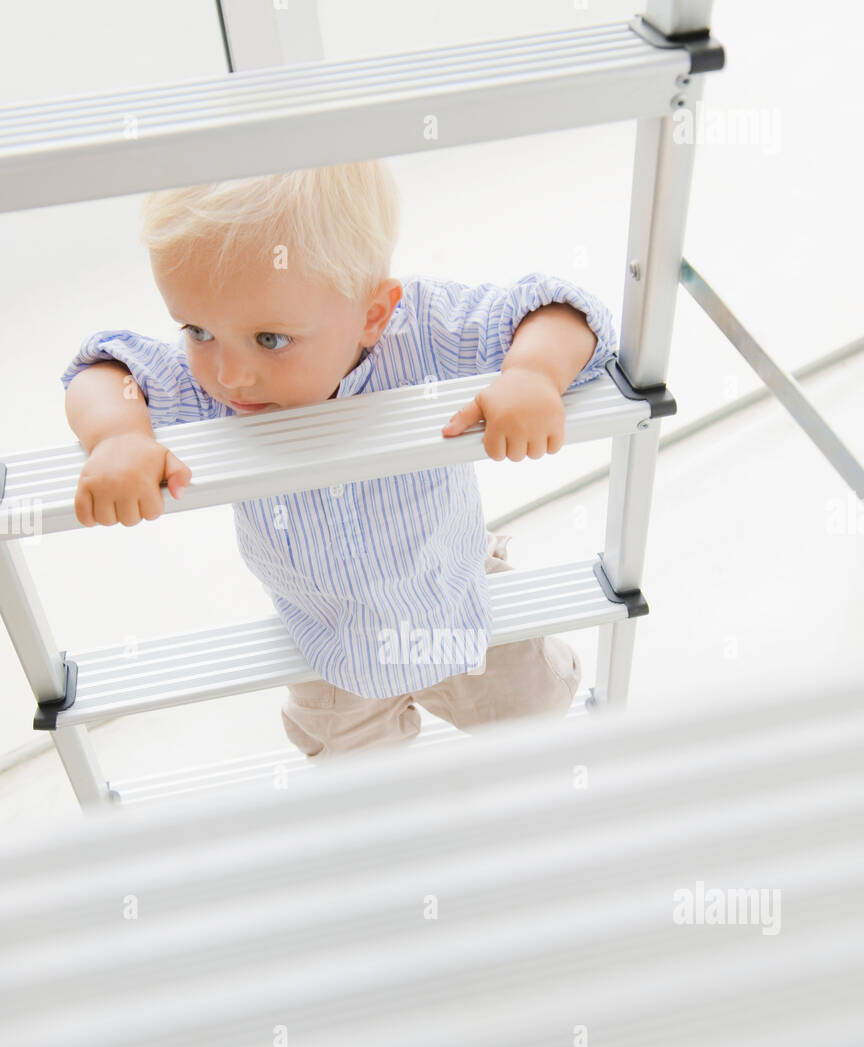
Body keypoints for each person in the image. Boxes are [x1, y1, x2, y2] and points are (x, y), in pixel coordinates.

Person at [62, 162, 617, 759]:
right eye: (197, 330)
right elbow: (100, 369)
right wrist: (119, 436)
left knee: (535, 708)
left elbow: (564, 310)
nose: (229, 373)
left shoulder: (424, 332)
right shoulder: (211, 385)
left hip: (455, 595)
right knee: (356, 781)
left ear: (372, 315)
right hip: (328, 642)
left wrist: (533, 372)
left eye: (271, 340)